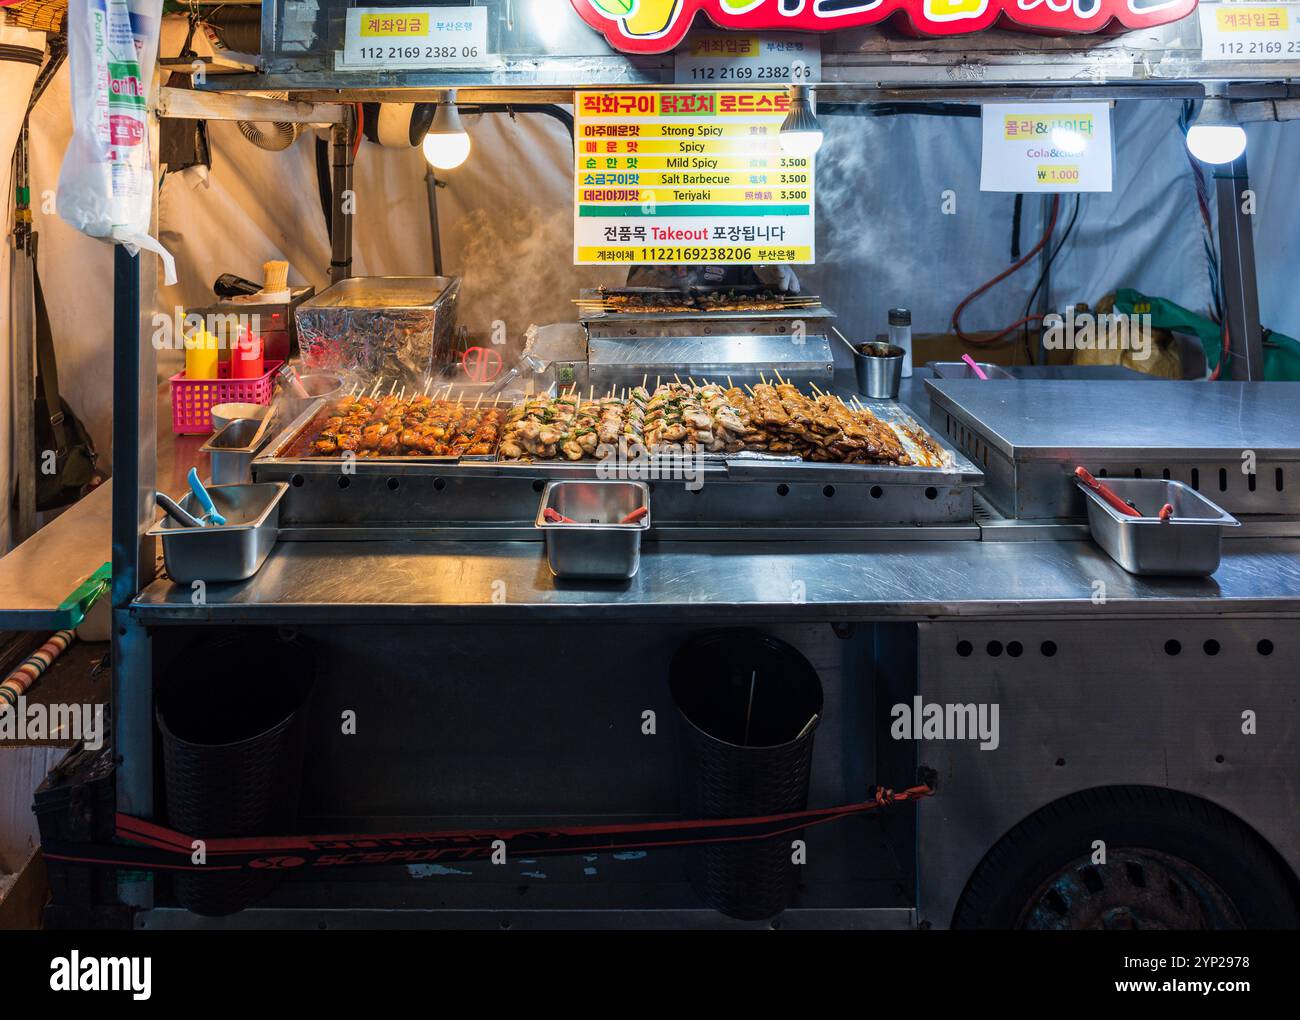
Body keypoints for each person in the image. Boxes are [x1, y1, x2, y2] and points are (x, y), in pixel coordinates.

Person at [625, 262, 801, 294]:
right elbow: (633, 288)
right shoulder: (657, 235)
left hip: (731, 339)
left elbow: (756, 286)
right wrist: (658, 278)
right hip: (662, 341)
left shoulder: (734, 232)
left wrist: (769, 279)